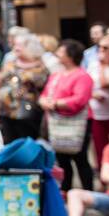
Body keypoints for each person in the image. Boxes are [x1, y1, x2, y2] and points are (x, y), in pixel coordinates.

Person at [40, 39, 94, 192]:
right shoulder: (56, 75)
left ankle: (87, 192)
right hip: (56, 123)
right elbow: (44, 94)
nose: (57, 54)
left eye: (61, 51)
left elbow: (80, 99)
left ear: (70, 55)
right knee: (62, 160)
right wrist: (44, 101)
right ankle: (65, 191)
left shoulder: (82, 76)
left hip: (77, 123)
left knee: (80, 159)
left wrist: (56, 103)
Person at [0, 32, 49, 143]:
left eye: (19, 45)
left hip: (28, 115)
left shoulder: (40, 67)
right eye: (15, 45)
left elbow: (41, 85)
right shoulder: (9, 64)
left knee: (27, 144)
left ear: (30, 47)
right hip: (6, 113)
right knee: (9, 144)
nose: (15, 47)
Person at [87, 32, 109, 164]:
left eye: (106, 48)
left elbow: (105, 83)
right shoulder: (93, 65)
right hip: (97, 115)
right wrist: (92, 94)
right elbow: (86, 86)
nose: (101, 50)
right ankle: (103, 179)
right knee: (99, 149)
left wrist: (102, 66)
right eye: (100, 47)